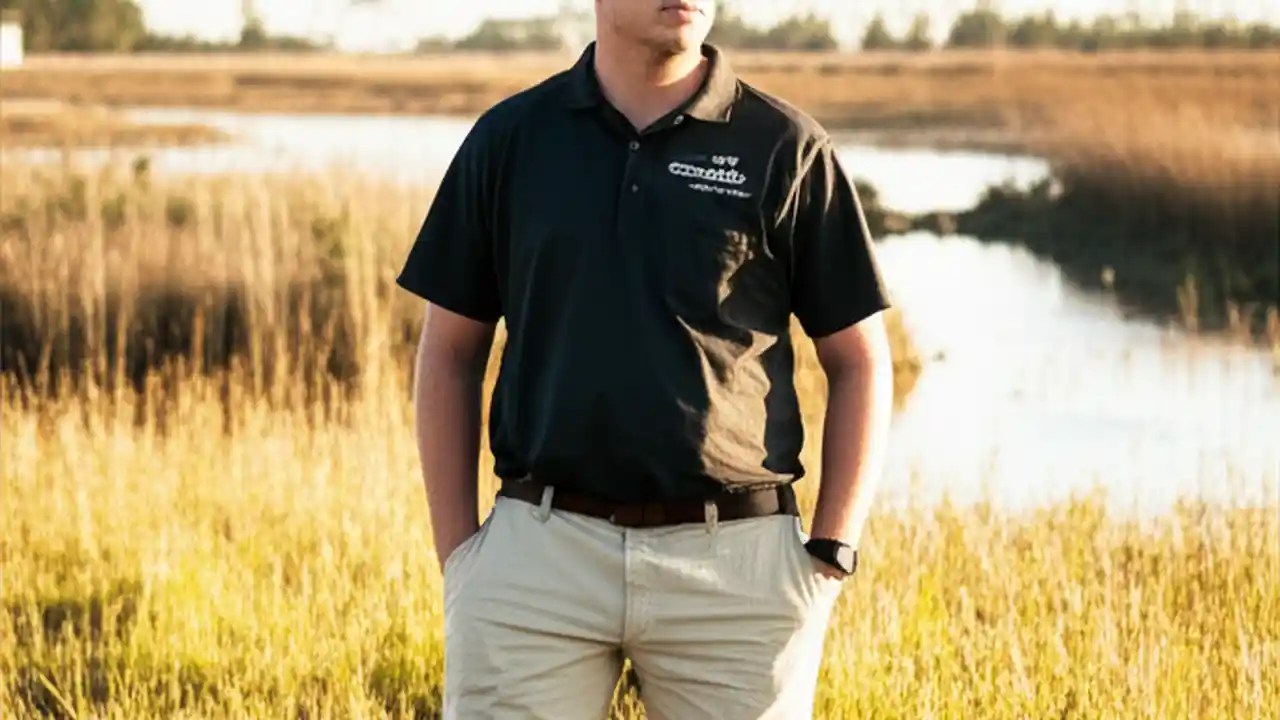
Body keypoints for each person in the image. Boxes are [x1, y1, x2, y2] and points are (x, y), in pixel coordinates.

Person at [394, 1, 894, 717]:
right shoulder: (512, 140)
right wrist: (461, 555)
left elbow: (861, 361)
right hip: (538, 556)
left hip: (738, 569)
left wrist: (830, 553)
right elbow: (449, 351)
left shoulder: (784, 146)